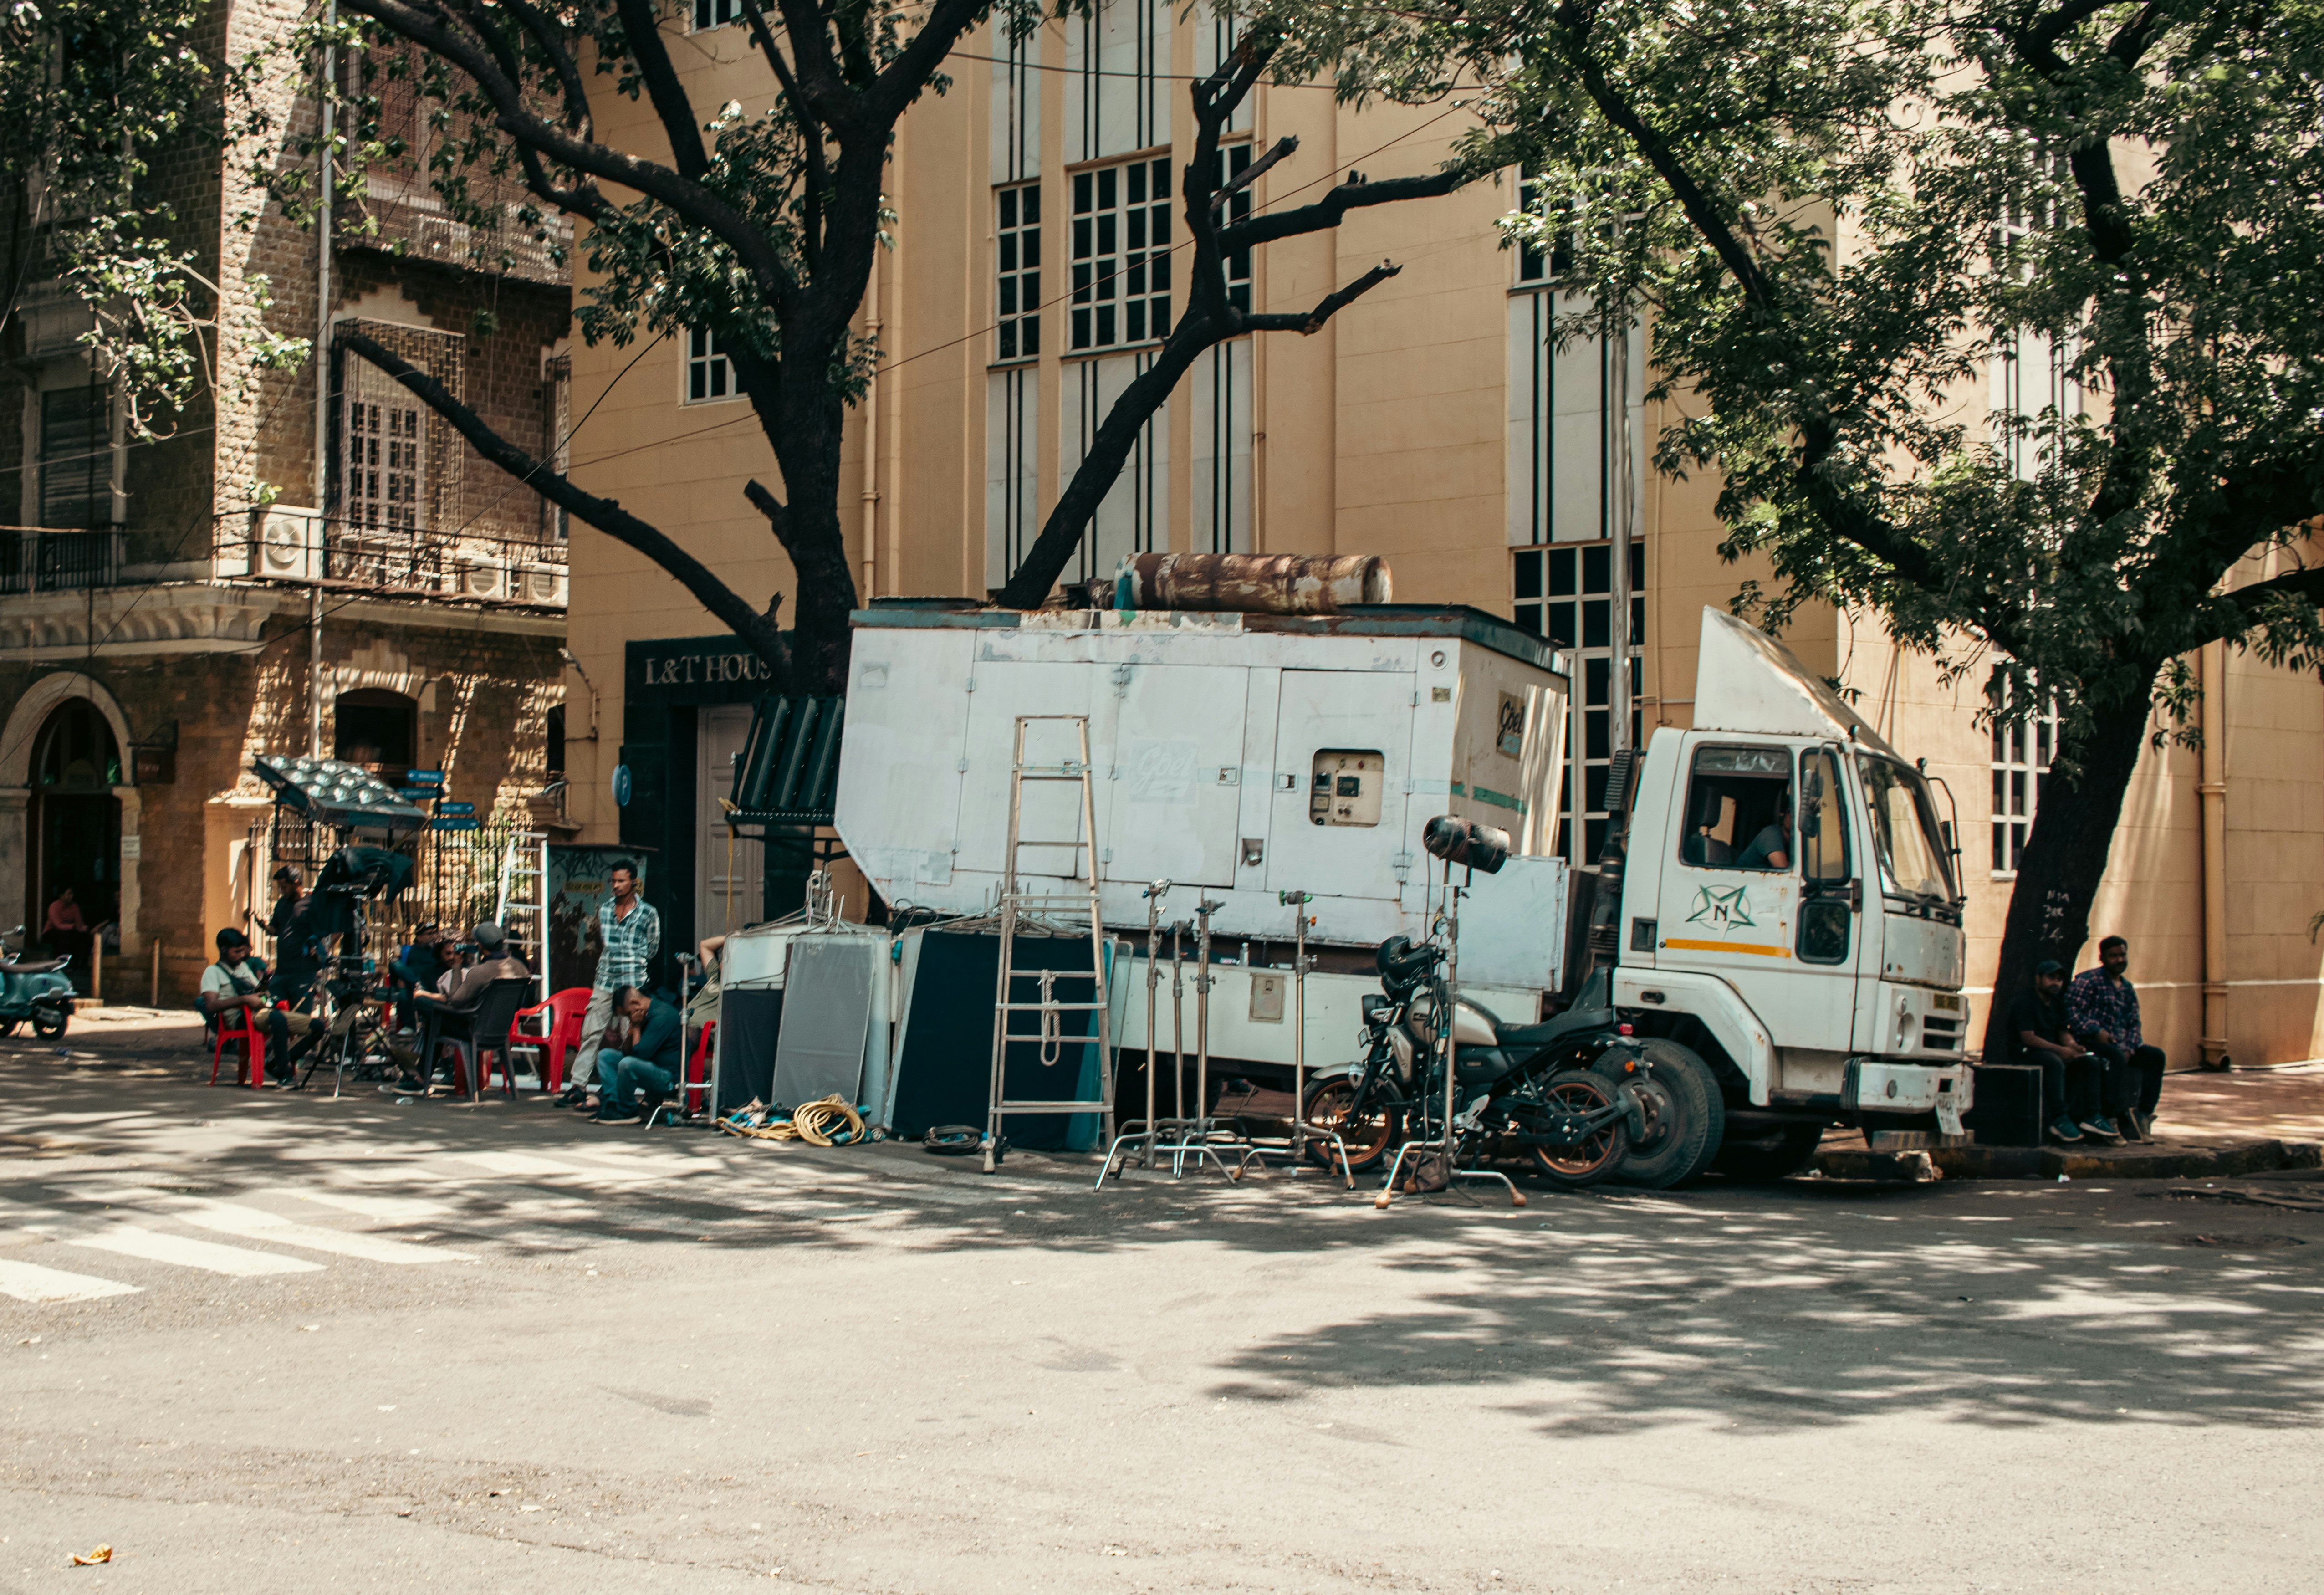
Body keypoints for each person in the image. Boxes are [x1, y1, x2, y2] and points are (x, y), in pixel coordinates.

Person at [555, 861, 660, 1109]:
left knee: (630, 1033)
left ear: (634, 882)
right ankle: (578, 1087)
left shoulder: (648, 913)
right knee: (591, 1032)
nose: (616, 886)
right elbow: (604, 942)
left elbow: (653, 948)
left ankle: (625, 1087)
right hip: (605, 979)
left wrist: (634, 957)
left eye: (621, 881)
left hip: (633, 983)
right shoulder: (604, 910)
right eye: (613, 881)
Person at [389, 923, 529, 1096]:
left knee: (435, 1018)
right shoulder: (520, 968)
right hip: (500, 1031)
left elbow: (455, 1002)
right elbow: (521, 1003)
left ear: (479, 946)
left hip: (474, 1031)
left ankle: (421, 1080)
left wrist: (456, 967)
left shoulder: (480, 973)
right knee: (437, 1016)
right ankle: (440, 1073)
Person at [2069, 936, 2170, 1140]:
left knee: (2156, 1056)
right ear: (2102, 958)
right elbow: (2073, 1013)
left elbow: (2134, 1023)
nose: (2119, 960)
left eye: (2122, 955)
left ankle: (2143, 1114)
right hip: (2092, 1042)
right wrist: (2096, 1031)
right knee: (2114, 1058)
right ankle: (2109, 1117)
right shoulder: (2087, 981)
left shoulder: (2127, 988)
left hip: (2122, 1045)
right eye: (2113, 956)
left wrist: (2130, 1048)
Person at [2012, 958, 2120, 1145]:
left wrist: (2072, 1046)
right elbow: (2028, 1037)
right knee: (2055, 1063)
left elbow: (2063, 1031)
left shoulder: (2057, 1002)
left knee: (2091, 1062)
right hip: (2028, 1051)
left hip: (2053, 1048)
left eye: (2059, 979)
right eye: (2051, 978)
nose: (2056, 983)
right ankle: (2059, 1118)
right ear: (2038, 979)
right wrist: (2060, 1050)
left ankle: (2093, 1116)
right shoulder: (2025, 1001)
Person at [198, 928, 309, 1084]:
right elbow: (211, 1006)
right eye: (237, 952)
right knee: (278, 1020)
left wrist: (264, 994)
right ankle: (284, 1073)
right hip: (239, 1019)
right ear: (224, 950)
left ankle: (274, 1064)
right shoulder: (212, 972)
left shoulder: (243, 967)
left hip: (260, 1012)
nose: (242, 955)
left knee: (316, 1027)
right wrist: (244, 1000)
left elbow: (258, 990)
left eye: (243, 951)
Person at [589, 985, 683, 1125]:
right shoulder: (641, 1015)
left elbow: (640, 1056)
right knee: (605, 1056)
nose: (629, 1018)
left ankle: (627, 1111)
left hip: (667, 1079)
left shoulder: (662, 1015)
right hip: (648, 1069)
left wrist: (637, 1027)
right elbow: (627, 1052)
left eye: (627, 1014)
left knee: (627, 1064)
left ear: (635, 1004)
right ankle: (613, 1105)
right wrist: (632, 1027)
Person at [42, 887, 91, 990]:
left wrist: (82, 928)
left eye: (72, 894)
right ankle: (65, 963)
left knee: (84, 937)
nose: (71, 896)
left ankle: (81, 963)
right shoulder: (54, 906)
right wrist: (74, 927)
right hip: (52, 932)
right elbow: (58, 925)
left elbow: (79, 923)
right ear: (62, 895)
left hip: (70, 932)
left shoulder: (74, 907)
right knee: (63, 935)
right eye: (68, 894)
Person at [1736, 800, 1793, 870]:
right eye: (1791, 813)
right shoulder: (1771, 833)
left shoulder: (1795, 844)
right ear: (1784, 815)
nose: (1794, 817)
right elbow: (1782, 868)